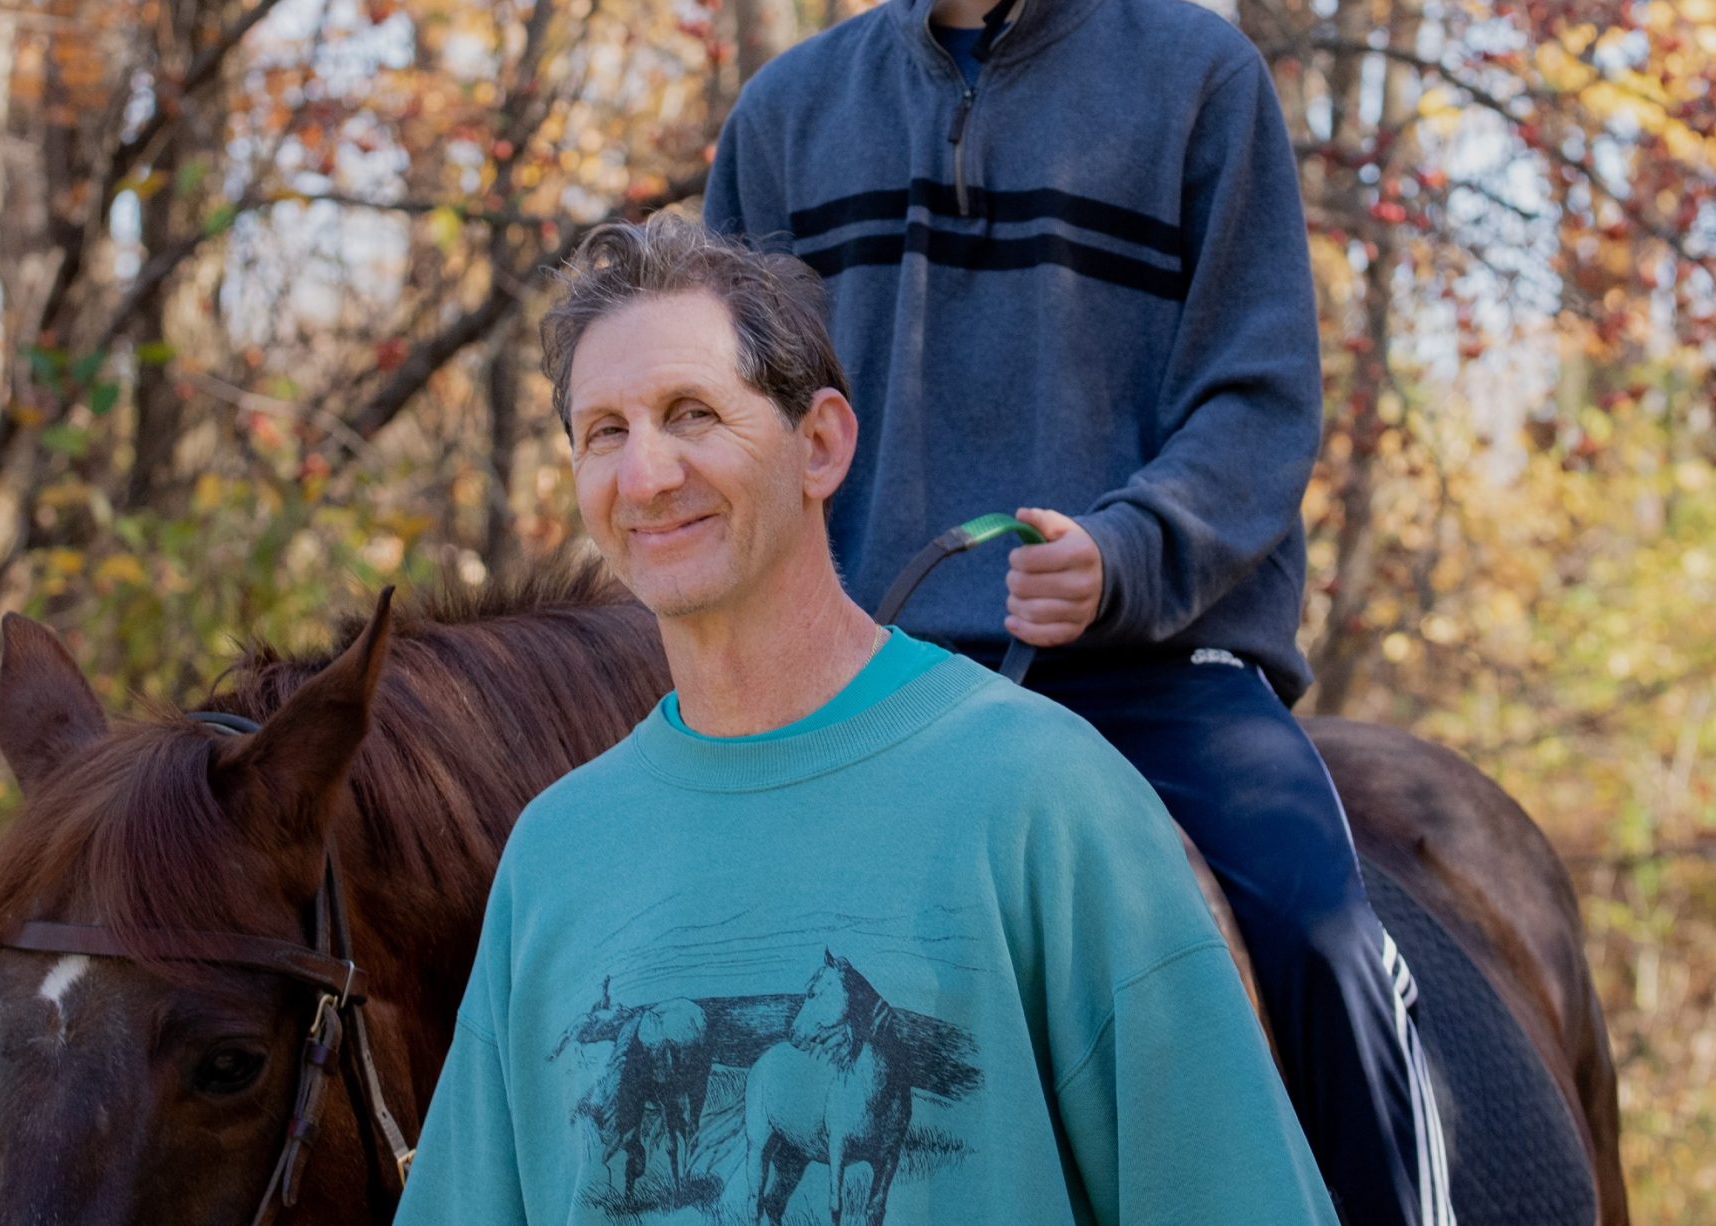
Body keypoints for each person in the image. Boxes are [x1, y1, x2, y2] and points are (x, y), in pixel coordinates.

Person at [705, 0, 1453, 1226]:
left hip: (1153, 685)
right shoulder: (786, 120)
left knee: (1318, 934)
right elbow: (727, 429)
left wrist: (1126, 555)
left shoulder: (1197, 83)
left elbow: (1260, 396)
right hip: (864, 690)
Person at [397, 218, 1338, 1223]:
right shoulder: (554, 855)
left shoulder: (1042, 793)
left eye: (691, 412)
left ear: (820, 443)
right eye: (605, 432)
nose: (646, 475)